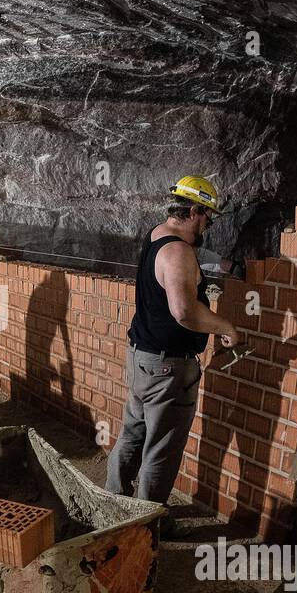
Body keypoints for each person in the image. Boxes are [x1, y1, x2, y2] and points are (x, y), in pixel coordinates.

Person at [105, 176, 243, 519]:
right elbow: (183, 312)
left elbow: (181, 269)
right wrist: (224, 326)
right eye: (206, 217)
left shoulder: (158, 235)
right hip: (167, 369)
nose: (207, 225)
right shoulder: (179, 252)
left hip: (142, 358)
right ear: (194, 210)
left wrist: (221, 267)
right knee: (161, 449)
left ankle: (111, 503)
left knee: (133, 434)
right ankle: (144, 521)